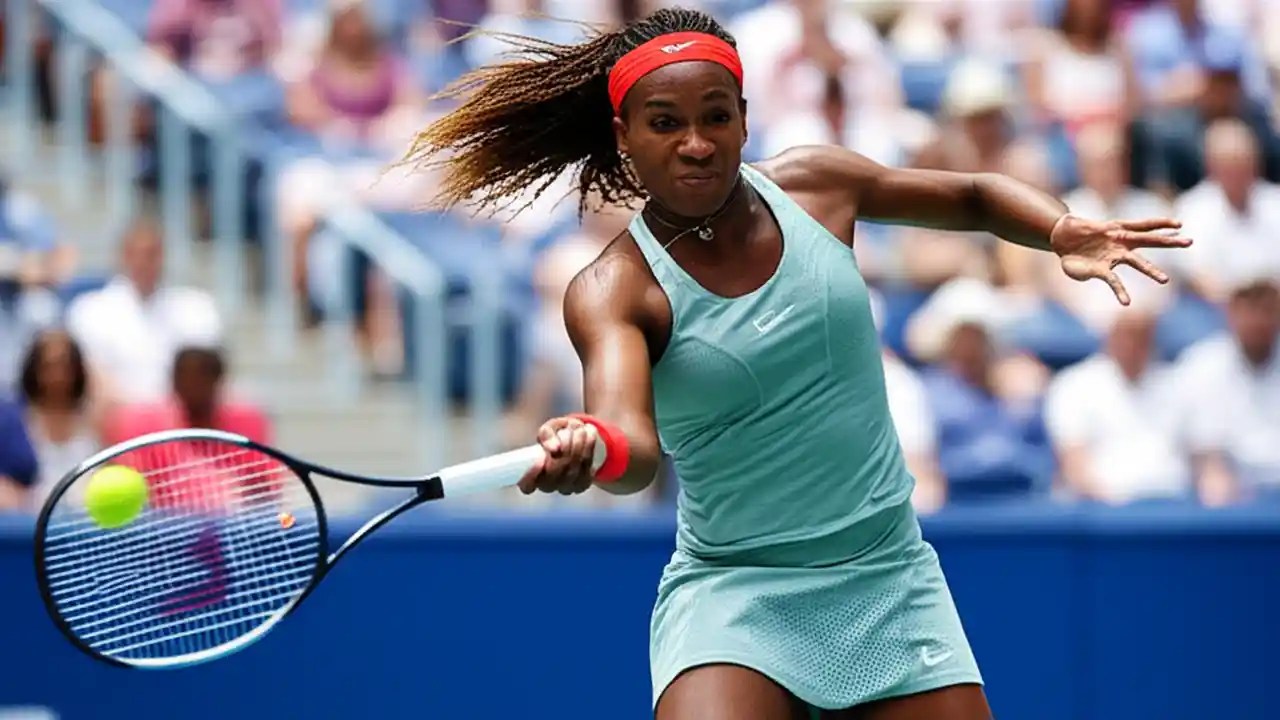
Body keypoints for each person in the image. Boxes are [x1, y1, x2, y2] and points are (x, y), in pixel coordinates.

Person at [405, 8, 1190, 719]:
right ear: (623, 135)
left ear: (746, 119)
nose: (696, 143)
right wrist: (593, 449)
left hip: (886, 574)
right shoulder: (614, 289)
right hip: (735, 590)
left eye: (717, 116)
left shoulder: (818, 187)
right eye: (665, 122)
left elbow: (978, 195)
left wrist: (1058, 230)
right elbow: (632, 448)